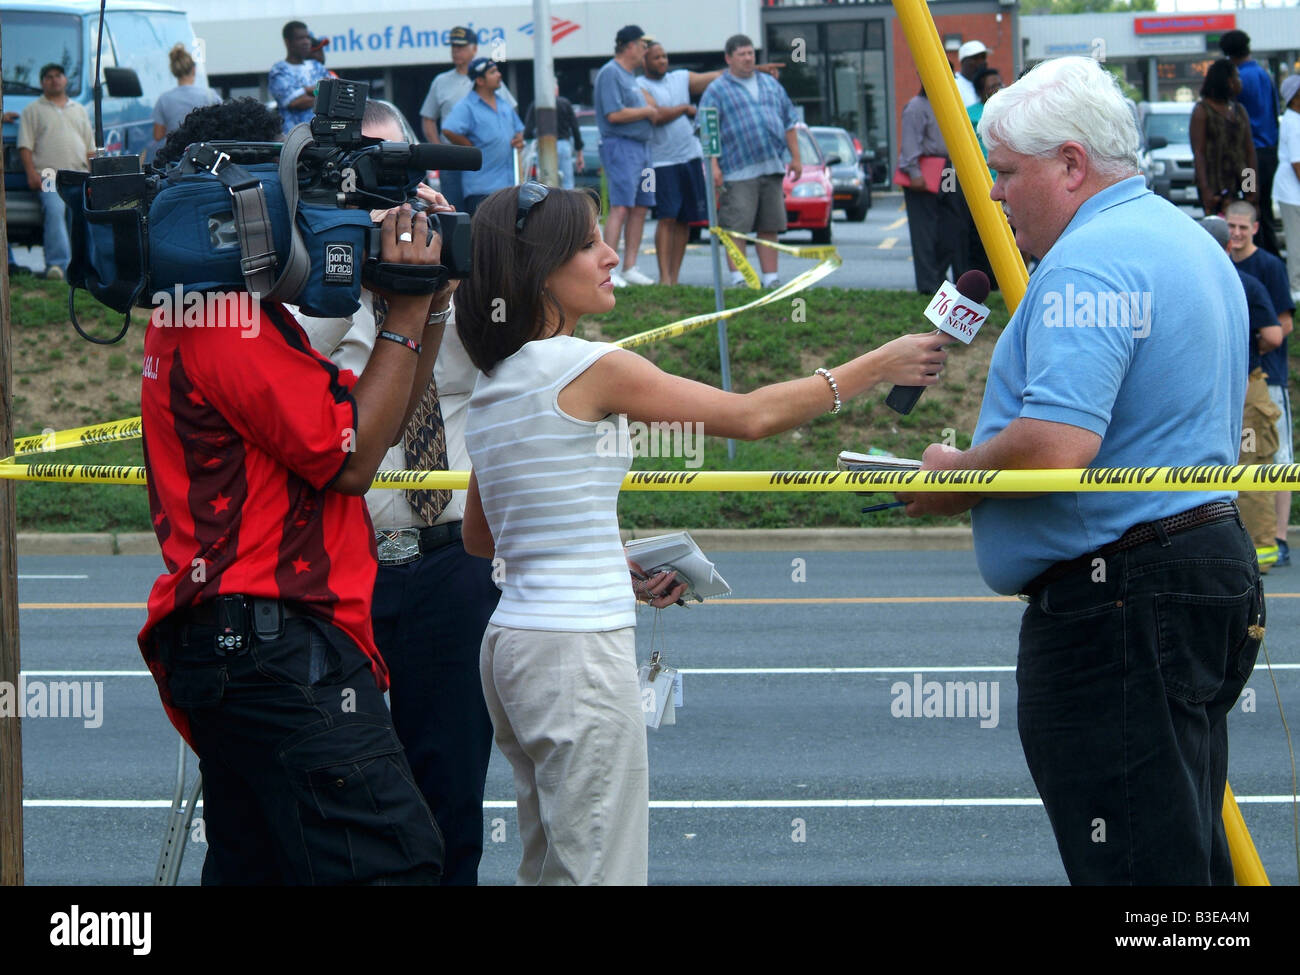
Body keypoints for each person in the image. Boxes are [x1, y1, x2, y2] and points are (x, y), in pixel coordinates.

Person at [455, 182, 948, 885]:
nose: (607, 255)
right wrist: (878, 365)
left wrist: (606, 559)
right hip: (575, 651)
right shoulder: (585, 365)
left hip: (512, 648)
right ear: (543, 272)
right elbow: (749, 416)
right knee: (600, 872)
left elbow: (484, 536)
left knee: (549, 867)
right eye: (590, 243)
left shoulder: (495, 381)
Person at [899, 56, 1261, 885]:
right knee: (1181, 857)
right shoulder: (1189, 242)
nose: (992, 192)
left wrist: (950, 471)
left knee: (1139, 872)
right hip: (1197, 561)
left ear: (1071, 165)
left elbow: (1057, 445)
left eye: (1006, 171)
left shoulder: (1092, 261)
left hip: (1120, 597)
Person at [138, 98, 448, 885]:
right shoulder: (225, 320)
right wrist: (405, 310)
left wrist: (428, 308)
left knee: (266, 870)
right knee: (394, 860)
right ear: (239, 195)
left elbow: (369, 434)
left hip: (244, 647)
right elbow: (348, 462)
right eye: (288, 181)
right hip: (272, 650)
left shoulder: (217, 312)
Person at [298, 101, 500, 886]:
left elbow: (517, 379)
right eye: (364, 179)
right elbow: (321, 394)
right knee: (347, 792)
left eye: (398, 174)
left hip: (452, 566)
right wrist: (374, 293)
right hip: (349, 568)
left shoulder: (456, 259)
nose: (389, 199)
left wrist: (455, 276)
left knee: (452, 793)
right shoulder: (312, 274)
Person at [1201, 216, 1283, 569]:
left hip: (1203, 389)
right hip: (1245, 388)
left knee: (1200, 470)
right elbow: (1275, 336)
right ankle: (1260, 555)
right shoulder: (1246, 284)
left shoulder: (1185, 283)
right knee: (1250, 470)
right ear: (1229, 244)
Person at [699, 34, 801, 289]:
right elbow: (706, 130)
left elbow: (789, 122)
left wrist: (796, 158)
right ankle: (740, 278)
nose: (747, 58)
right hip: (736, 171)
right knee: (737, 227)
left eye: (750, 54)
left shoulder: (770, 84)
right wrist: (713, 166)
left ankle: (770, 278)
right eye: (742, 54)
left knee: (770, 225)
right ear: (729, 58)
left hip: (772, 165)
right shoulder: (717, 90)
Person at [1225, 199, 1295, 568]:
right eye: (1230, 227)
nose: (1236, 233)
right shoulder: (1222, 268)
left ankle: (1278, 539)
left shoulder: (1266, 268)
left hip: (1266, 377)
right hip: (1235, 381)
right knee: (1242, 459)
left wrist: (1252, 345)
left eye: (1243, 227)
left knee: (1273, 458)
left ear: (1254, 228)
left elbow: (1282, 327)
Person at [419, 26, 517, 211]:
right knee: (453, 213)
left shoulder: (490, 79)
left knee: (488, 214)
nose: (456, 51)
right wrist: (439, 151)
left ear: (474, 49)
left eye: (461, 46)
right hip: (452, 161)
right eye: (453, 46)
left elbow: (510, 112)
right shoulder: (441, 81)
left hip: (485, 164)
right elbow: (428, 119)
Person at [593, 25, 658, 287]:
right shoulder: (611, 72)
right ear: (630, 46)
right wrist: (647, 112)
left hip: (643, 148)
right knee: (621, 206)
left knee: (641, 206)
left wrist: (648, 110)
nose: (645, 50)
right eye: (642, 45)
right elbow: (613, 114)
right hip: (621, 146)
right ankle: (609, 270)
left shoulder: (632, 76)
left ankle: (631, 266)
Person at [17, 63, 94, 281]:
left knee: (81, 217)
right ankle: (59, 266)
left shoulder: (79, 110)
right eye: (48, 76)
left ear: (65, 80)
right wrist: (31, 173)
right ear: (42, 82)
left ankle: (84, 266)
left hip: (78, 174)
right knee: (54, 211)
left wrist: (93, 174)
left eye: (58, 75)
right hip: (48, 175)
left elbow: (89, 146)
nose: (54, 80)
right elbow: (25, 146)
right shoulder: (32, 110)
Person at [897, 83, 965, 294]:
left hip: (946, 168)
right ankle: (928, 284)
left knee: (951, 223)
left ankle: (939, 277)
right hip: (924, 167)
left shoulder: (948, 105)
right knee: (924, 230)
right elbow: (909, 143)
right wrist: (914, 173)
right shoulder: (916, 107)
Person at [1219, 30, 1280, 256]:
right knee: (1263, 205)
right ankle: (1271, 257)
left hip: (1248, 159)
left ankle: (1258, 254)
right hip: (1269, 152)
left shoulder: (1238, 80)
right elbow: (1274, 112)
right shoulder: (1264, 74)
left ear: (1228, 54)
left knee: (1249, 204)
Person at [440, 58, 525, 214]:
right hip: (481, 189)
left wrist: (519, 139)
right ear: (480, 80)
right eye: (493, 72)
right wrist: (469, 147)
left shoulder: (503, 103)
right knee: (485, 236)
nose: (499, 75)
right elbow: (448, 130)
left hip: (508, 187)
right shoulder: (467, 106)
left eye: (497, 71)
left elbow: (519, 129)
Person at [1191, 58, 1258, 219]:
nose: (1240, 82)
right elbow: (1198, 154)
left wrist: (1250, 187)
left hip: (1239, 183)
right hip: (1215, 186)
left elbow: (1249, 151)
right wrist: (1206, 190)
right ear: (1228, 81)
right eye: (1237, 77)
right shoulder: (1202, 111)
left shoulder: (1239, 110)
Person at [268, 20, 330, 133]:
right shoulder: (279, 70)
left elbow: (335, 92)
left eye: (307, 38)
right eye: (300, 38)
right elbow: (297, 102)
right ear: (287, 42)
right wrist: (323, 95)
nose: (306, 42)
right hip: (295, 139)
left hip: (323, 135)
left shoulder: (317, 66)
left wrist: (307, 90)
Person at [151, 43, 221, 143]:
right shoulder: (210, 96)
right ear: (194, 70)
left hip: (176, 153)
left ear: (174, 72)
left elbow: (158, 136)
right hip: (205, 153)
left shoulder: (164, 99)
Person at [523, 85, 584, 190]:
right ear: (556, 89)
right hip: (564, 145)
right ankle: (568, 206)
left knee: (544, 184)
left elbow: (527, 131)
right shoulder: (565, 103)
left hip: (542, 147)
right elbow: (575, 128)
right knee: (567, 184)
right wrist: (579, 153)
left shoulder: (536, 104)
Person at [1276, 74, 1300, 303]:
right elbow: (1297, 162)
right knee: (1296, 243)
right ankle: (1295, 290)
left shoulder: (1294, 118)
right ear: (1295, 97)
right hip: (1292, 192)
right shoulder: (1293, 122)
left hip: (1293, 191)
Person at [954, 40, 989, 109]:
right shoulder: (954, 84)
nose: (981, 62)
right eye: (975, 58)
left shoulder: (988, 83)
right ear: (963, 62)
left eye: (983, 57)